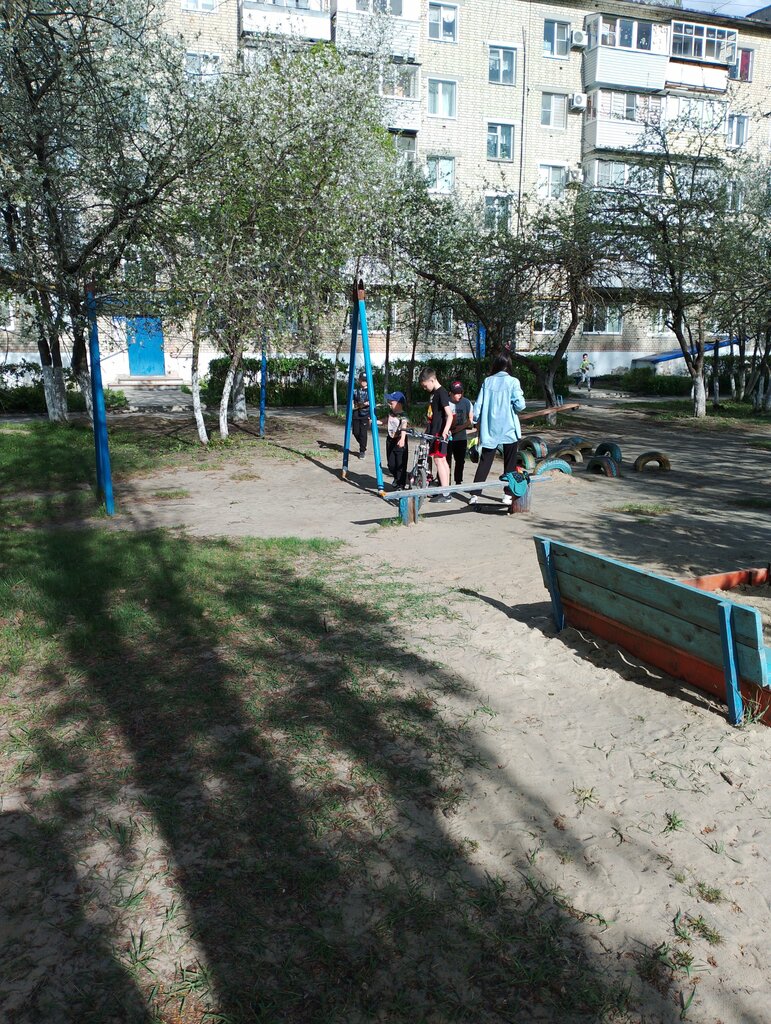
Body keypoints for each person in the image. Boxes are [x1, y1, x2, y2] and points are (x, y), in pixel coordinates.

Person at [470, 354, 526, 507]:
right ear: (509, 366)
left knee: (485, 461)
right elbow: (520, 405)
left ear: (496, 365)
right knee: (510, 463)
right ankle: (507, 494)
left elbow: (478, 407)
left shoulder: (487, 382)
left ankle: (474, 494)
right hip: (509, 428)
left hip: (490, 428)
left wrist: (474, 420)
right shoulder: (513, 382)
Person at [418, 367, 453, 503]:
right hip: (433, 432)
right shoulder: (434, 393)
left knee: (439, 460)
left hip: (440, 433)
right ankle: (445, 489)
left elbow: (449, 415)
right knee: (441, 460)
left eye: (425, 385)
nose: (424, 388)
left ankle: (445, 494)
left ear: (432, 380)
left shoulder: (441, 393)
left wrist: (444, 431)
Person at [447, 380, 473, 486]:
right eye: (456, 393)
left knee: (460, 461)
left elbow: (470, 419)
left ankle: (458, 481)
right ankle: (445, 482)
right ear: (450, 393)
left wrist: (459, 428)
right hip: (448, 437)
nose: (459, 395)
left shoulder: (466, 402)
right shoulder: (446, 402)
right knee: (446, 461)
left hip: (461, 437)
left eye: (460, 392)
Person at [383, 391, 409, 489]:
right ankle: (396, 478)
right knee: (391, 464)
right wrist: (375, 421)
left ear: (399, 403)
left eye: (391, 403)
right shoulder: (391, 413)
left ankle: (401, 484)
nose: (389, 404)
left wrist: (402, 439)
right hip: (390, 440)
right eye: (389, 402)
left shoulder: (403, 415)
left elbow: (404, 426)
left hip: (399, 440)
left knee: (400, 464)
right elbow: (386, 420)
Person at [351, 372, 371, 459]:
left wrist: (367, 403)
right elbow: (352, 401)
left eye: (365, 381)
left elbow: (373, 402)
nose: (363, 382)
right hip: (356, 414)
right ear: (359, 380)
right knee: (355, 432)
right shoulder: (355, 391)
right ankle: (363, 445)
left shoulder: (370, 391)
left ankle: (362, 450)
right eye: (362, 380)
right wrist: (353, 406)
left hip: (365, 414)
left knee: (363, 434)